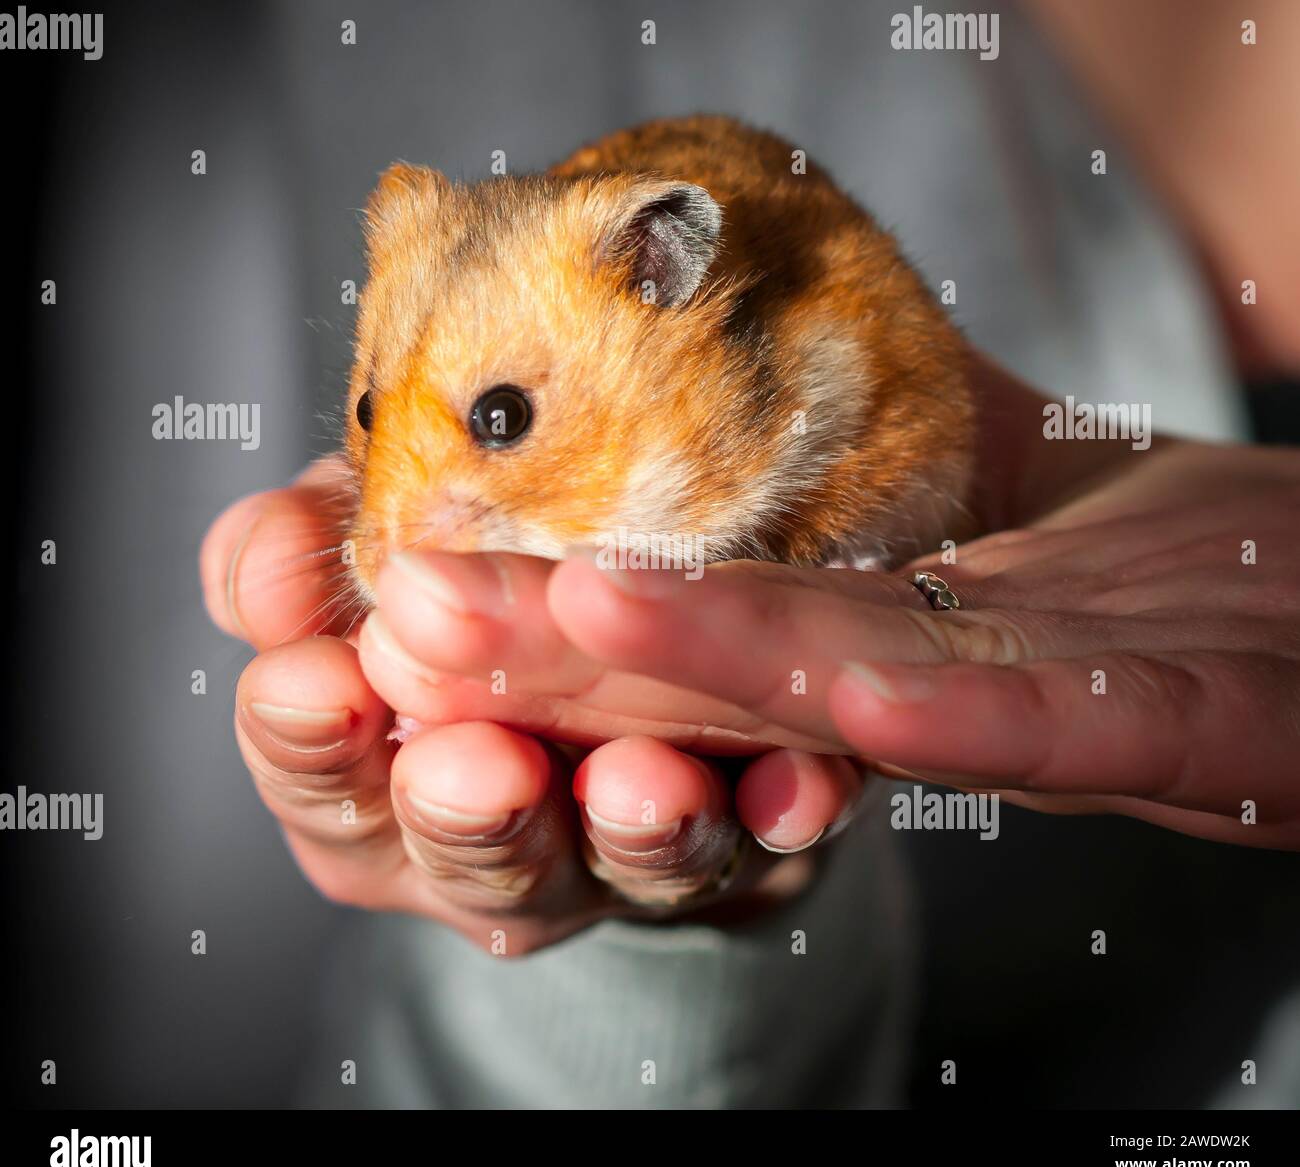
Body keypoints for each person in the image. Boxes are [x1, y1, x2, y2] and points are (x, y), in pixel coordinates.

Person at [194, 1, 1300, 1107]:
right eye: (374, 417)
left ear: (659, 269)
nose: (394, 532)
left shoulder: (726, 358)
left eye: (498, 420)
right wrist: (651, 949)